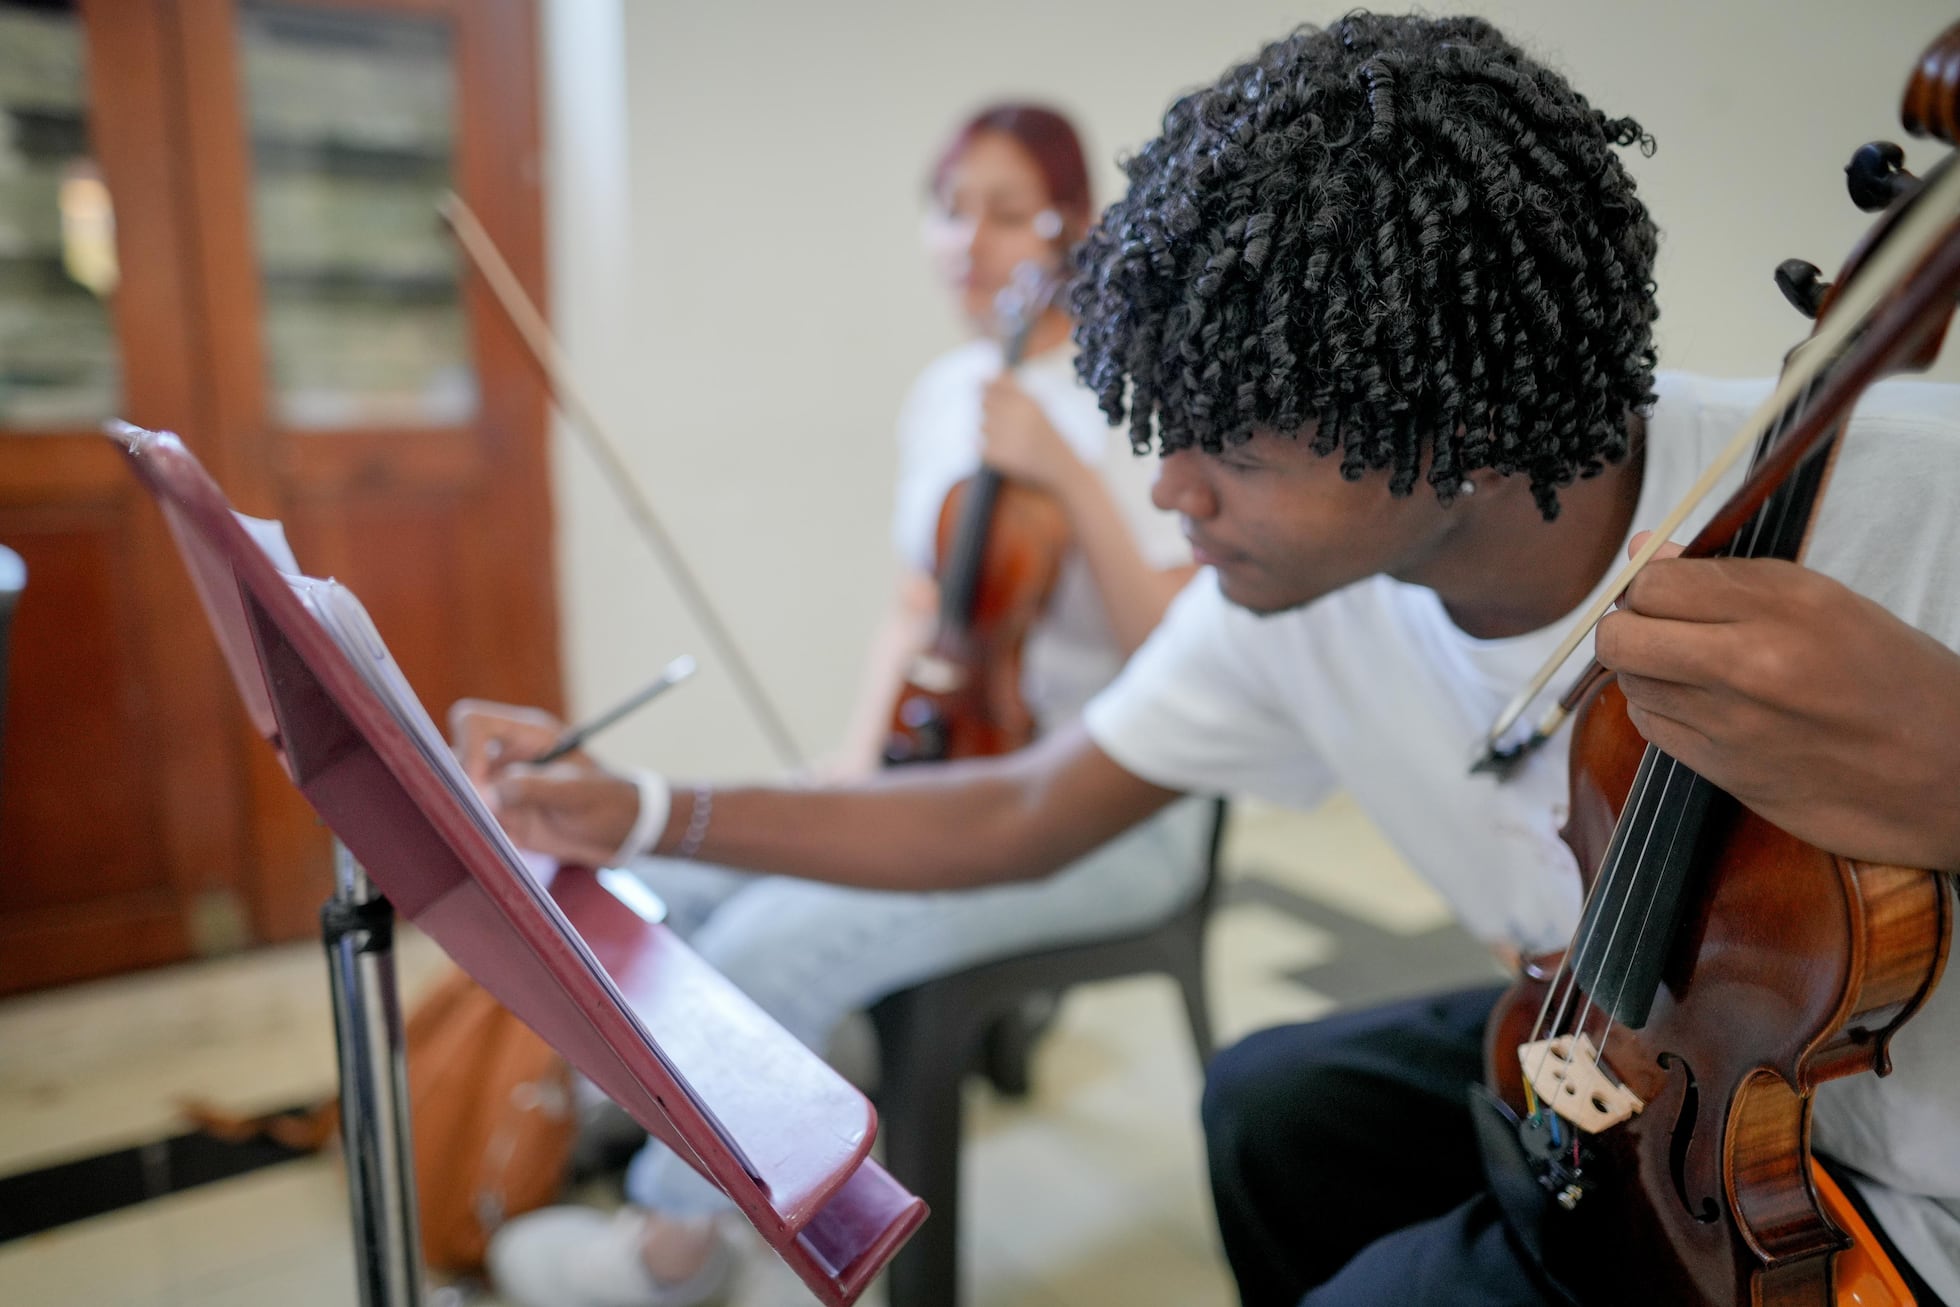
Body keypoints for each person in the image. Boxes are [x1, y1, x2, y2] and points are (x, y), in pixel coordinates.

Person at [457, 15, 1960, 1304]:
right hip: (1626, 1055)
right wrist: (647, 809)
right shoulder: (1292, 593)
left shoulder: (1918, 489)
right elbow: (1018, 807)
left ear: (1455, 426)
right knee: (1270, 1101)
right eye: (1161, 431)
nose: (1173, 494)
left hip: (1904, 1188)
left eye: (1232, 447)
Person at [479, 102, 1206, 1307]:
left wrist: (1069, 474)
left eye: (1004, 208)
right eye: (946, 206)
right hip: (952, 767)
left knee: (773, 935)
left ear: (1071, 225)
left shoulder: (1137, 401)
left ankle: (670, 1256)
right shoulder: (947, 392)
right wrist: (857, 759)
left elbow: (1182, 653)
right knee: (683, 885)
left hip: (1116, 808)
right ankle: (720, 1148)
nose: (967, 238)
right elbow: (919, 611)